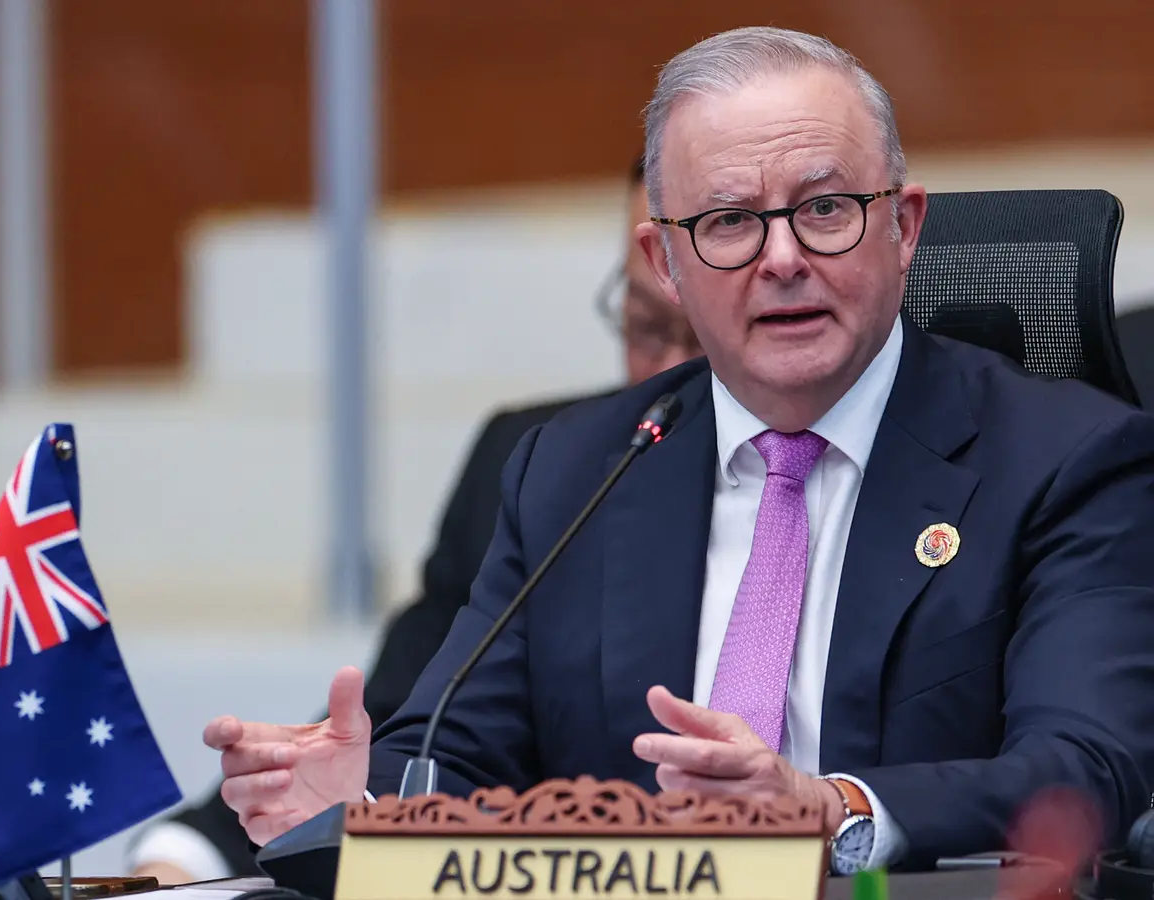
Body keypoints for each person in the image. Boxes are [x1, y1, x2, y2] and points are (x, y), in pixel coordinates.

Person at [204, 26, 1154, 875]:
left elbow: (1089, 766)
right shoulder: (575, 469)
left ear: (903, 227)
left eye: (826, 209)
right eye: (730, 222)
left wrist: (832, 810)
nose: (783, 258)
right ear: (665, 265)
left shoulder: (1067, 460)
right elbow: (459, 753)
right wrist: (365, 803)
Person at [127, 157, 701, 883]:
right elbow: (404, 718)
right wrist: (188, 857)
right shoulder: (541, 466)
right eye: (644, 329)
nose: (670, 372)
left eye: (698, 338)